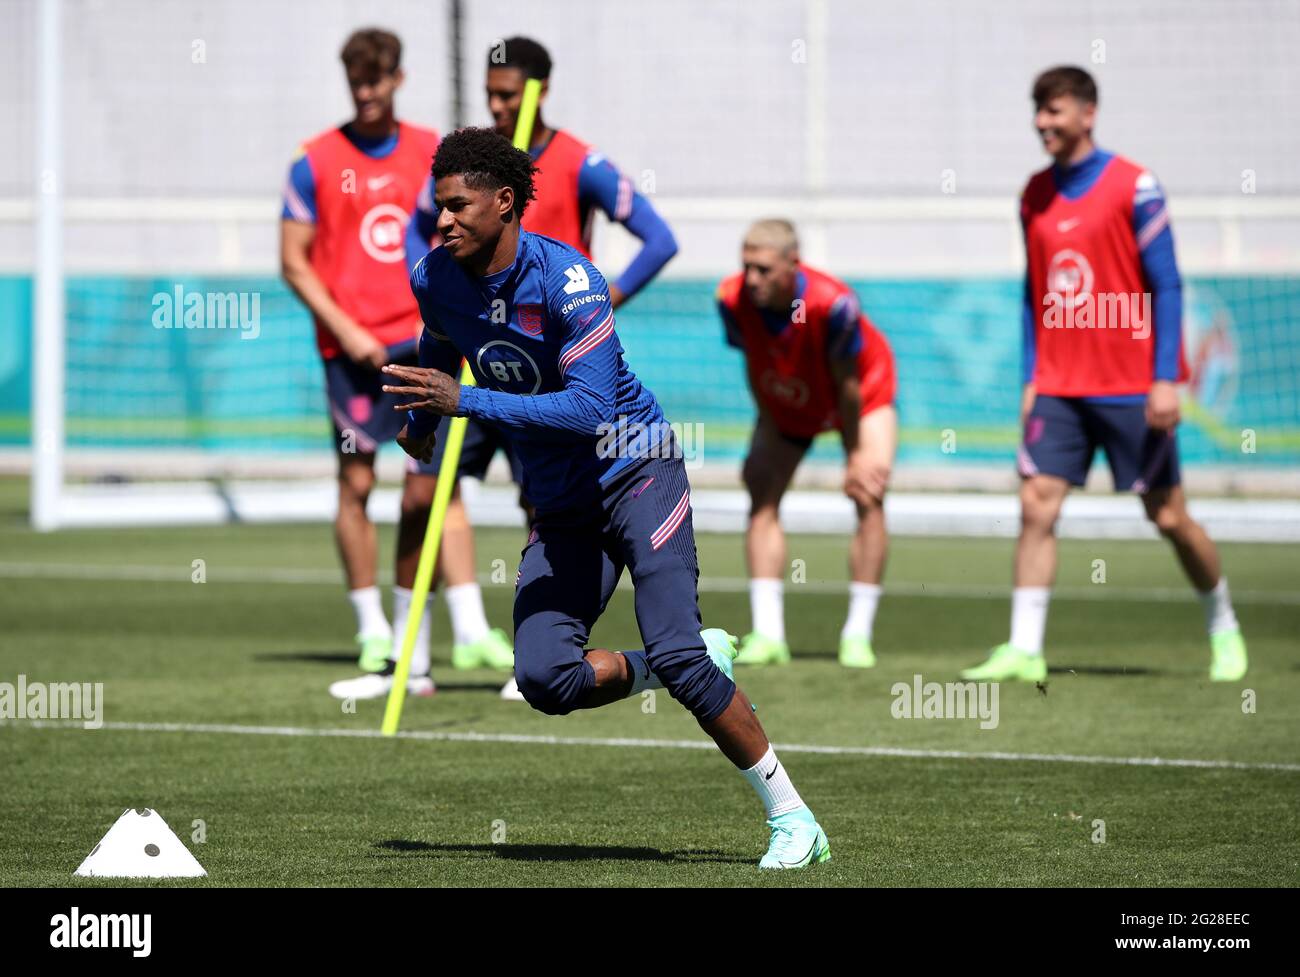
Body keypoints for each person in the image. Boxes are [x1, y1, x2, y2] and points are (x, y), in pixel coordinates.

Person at [382, 127, 831, 868]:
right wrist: (423, 418)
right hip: (561, 501)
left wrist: (463, 399)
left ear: (504, 202)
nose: (445, 220)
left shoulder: (570, 282)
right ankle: (658, 662)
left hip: (637, 472)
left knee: (685, 657)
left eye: (460, 206)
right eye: (440, 207)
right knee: (542, 678)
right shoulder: (434, 276)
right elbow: (440, 336)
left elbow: (590, 410)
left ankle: (793, 817)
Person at [397, 35, 680, 701]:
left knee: (545, 496)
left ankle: (560, 652)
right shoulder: (462, 177)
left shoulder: (580, 162)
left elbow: (660, 238)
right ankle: (415, 655)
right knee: (420, 495)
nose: (498, 106)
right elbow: (431, 278)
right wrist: (420, 411)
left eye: (508, 95)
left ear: (538, 93)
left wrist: (605, 296)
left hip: (559, 365)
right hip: (479, 366)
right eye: (489, 94)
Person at [962, 66, 1247, 683]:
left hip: (1131, 387)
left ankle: (1224, 628)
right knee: (1036, 506)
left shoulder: (1136, 186)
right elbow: (1032, 293)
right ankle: (1025, 648)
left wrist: (1167, 377)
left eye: (1055, 110)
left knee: (1168, 516)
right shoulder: (1032, 194)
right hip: (1059, 387)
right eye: (1037, 110)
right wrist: (1030, 377)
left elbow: (1166, 283)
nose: (1043, 122)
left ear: (1088, 113)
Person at [279, 28, 512, 704]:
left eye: (376, 81)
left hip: (423, 343)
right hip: (351, 352)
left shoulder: (430, 153)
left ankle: (463, 627)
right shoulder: (314, 160)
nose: (366, 93)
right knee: (355, 483)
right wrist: (346, 328)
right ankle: (373, 630)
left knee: (431, 486)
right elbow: (294, 259)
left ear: (397, 79)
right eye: (356, 82)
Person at [717, 220, 897, 668]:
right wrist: (766, 424)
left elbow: (848, 383)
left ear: (793, 266)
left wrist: (855, 456)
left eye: (763, 270)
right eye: (746, 267)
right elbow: (754, 362)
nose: (752, 279)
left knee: (867, 493)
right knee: (761, 489)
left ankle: (857, 635)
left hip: (862, 392)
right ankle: (768, 634)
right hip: (790, 397)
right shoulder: (731, 298)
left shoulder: (833, 305)